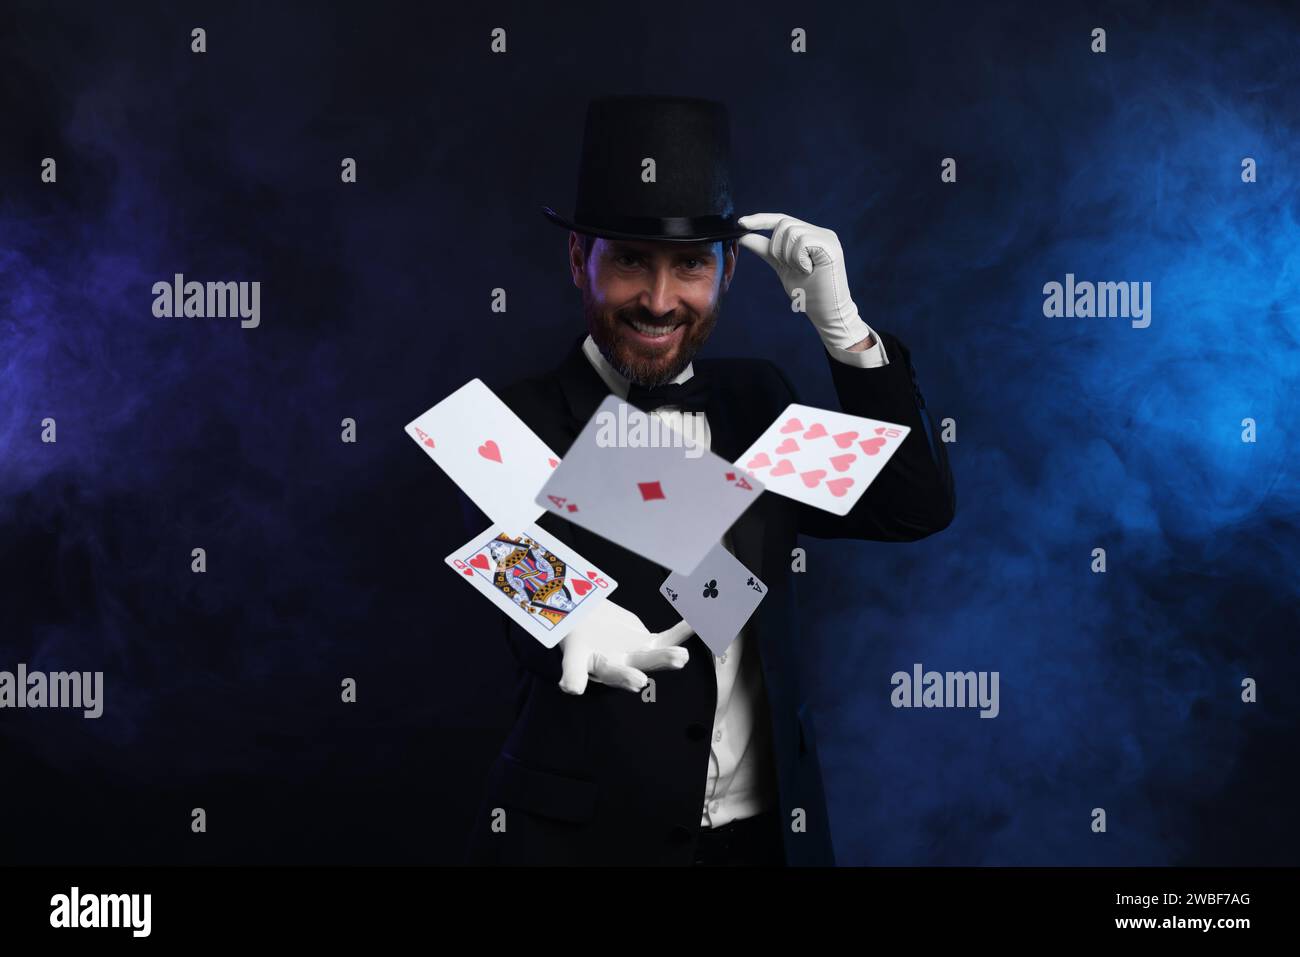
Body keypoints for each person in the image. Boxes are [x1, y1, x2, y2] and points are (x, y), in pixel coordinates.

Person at [465, 95, 955, 866]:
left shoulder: (755, 400)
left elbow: (913, 507)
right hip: (586, 846)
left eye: (690, 264)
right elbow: (490, 546)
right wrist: (566, 615)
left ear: (727, 270)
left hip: (767, 846)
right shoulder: (513, 420)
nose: (659, 301)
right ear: (577, 260)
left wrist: (845, 330)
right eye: (630, 259)